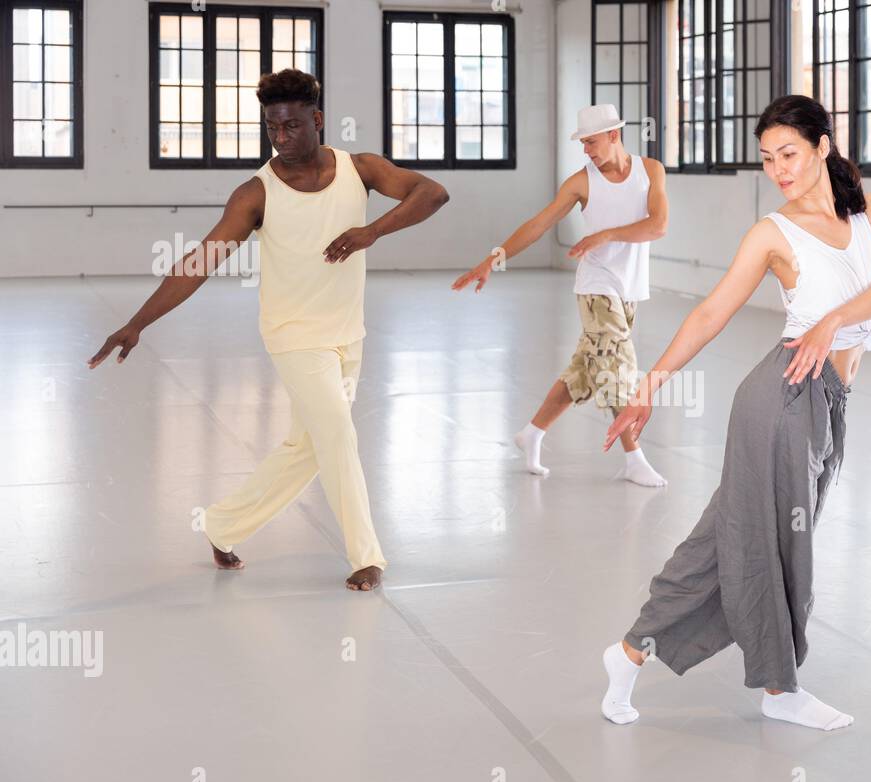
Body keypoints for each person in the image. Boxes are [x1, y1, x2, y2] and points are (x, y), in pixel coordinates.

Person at [597, 95, 871, 731]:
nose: (779, 169)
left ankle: (630, 653)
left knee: (727, 542)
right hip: (783, 399)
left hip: (828, 400)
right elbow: (712, 311)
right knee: (778, 544)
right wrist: (649, 385)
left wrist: (831, 321)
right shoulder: (774, 232)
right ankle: (779, 686)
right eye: (767, 159)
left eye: (789, 153)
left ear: (824, 145)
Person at [87, 69, 449, 590]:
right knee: (339, 436)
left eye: (291, 127)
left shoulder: (360, 168)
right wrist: (136, 323)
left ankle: (223, 523)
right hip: (294, 336)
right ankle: (367, 556)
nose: (280, 138)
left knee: (308, 446)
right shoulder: (255, 194)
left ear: (316, 120)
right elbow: (200, 261)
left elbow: (432, 193)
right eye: (271, 128)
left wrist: (372, 230)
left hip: (348, 333)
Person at [451, 104, 669, 487]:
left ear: (614, 135)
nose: (586, 150)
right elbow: (539, 224)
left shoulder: (650, 170)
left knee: (584, 372)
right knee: (617, 367)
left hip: (629, 289)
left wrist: (602, 235)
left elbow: (658, 226)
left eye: (591, 142)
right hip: (596, 289)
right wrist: (493, 258)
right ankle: (634, 458)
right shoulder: (579, 182)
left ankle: (532, 433)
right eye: (583, 143)